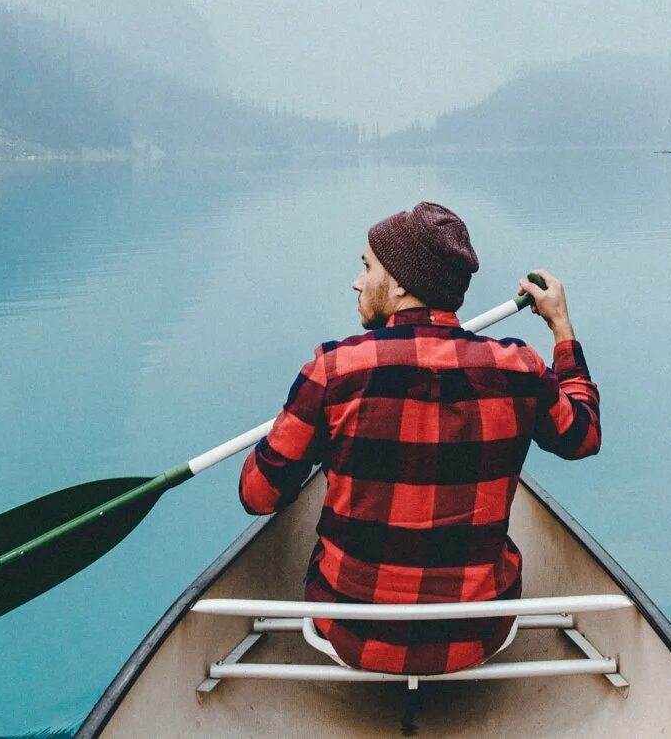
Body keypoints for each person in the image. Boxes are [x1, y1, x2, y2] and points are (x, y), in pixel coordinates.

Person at [238, 200, 601, 676]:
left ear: (403, 283)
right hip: (477, 633)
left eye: (367, 267)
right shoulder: (519, 368)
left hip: (351, 632)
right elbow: (584, 435)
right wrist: (560, 326)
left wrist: (304, 424)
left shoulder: (333, 371)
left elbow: (258, 495)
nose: (356, 281)